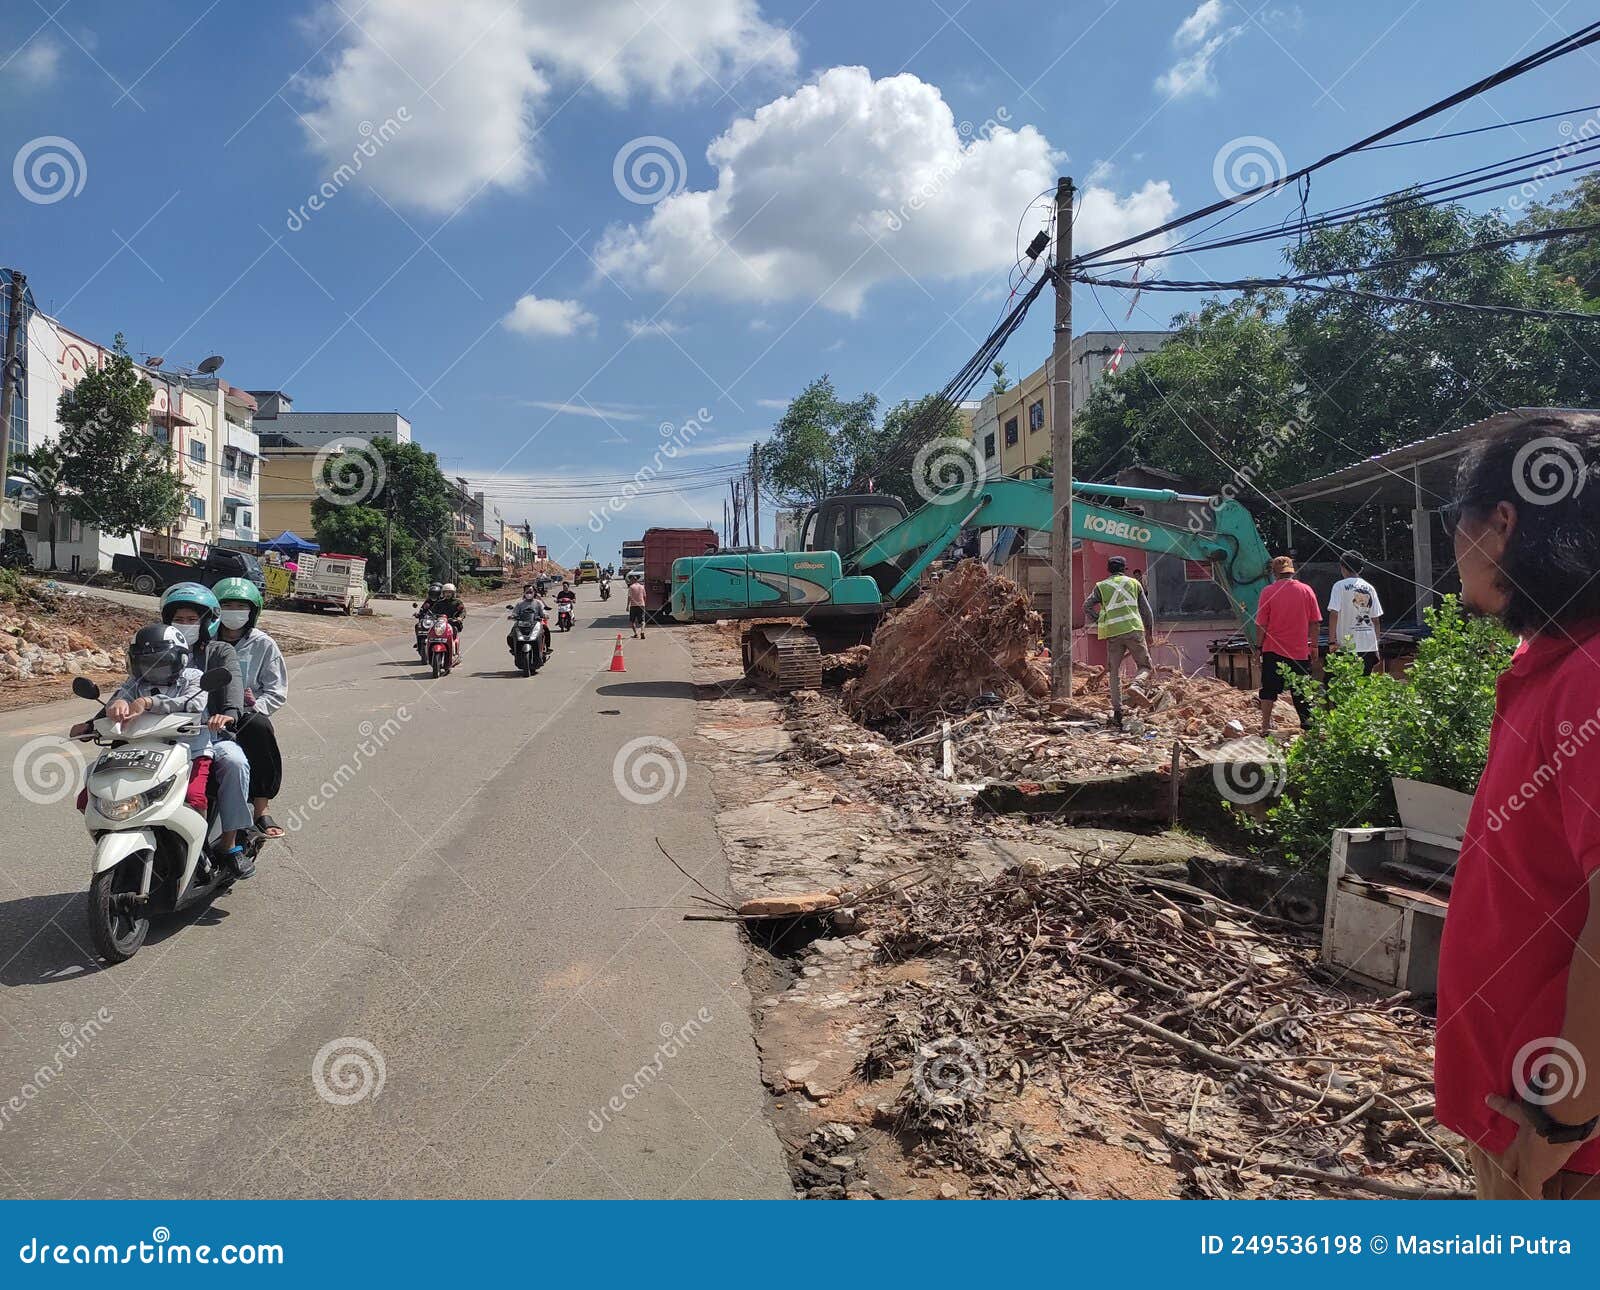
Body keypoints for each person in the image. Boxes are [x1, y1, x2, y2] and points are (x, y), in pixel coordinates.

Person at [1432, 412, 1600, 1200]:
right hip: (1533, 1120)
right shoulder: (1553, 663)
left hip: (1560, 1149)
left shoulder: (1589, 678)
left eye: (1453, 521)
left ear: (1502, 522)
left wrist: (1564, 1125)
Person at [213, 576, 289, 841]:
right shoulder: (203, 639)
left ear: (253, 611)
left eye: (240, 606)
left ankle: (260, 808)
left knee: (259, 727)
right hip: (204, 711)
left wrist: (254, 705)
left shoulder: (263, 644)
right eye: (227, 605)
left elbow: (277, 691)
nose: (233, 612)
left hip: (245, 714)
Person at [1082, 555, 1153, 728]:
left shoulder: (1101, 586)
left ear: (1108, 569)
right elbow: (1147, 611)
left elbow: (1086, 605)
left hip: (1113, 633)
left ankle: (1118, 712)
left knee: (1114, 672)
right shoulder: (1134, 584)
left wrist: (1099, 620)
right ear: (1125, 568)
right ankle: (1136, 685)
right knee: (1145, 666)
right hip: (1134, 630)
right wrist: (1149, 632)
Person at [1254, 555, 1321, 736]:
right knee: (1302, 692)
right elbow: (1315, 622)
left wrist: (1258, 647)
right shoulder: (1307, 590)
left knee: (1268, 689)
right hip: (1299, 651)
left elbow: (1261, 624)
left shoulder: (1268, 592)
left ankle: (1266, 726)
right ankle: (1309, 730)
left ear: (1274, 573)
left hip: (1273, 650)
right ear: (1292, 571)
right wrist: (1314, 646)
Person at [1327, 549, 1384, 674]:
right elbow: (1376, 620)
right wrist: (1376, 647)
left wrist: (1332, 641)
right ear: (1361, 569)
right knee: (1364, 685)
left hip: (1345, 646)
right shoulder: (1370, 588)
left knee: (1339, 685)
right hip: (1367, 645)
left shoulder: (1339, 586)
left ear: (1342, 567)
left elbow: (1334, 613)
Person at [507, 583, 548, 655]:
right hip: (521, 623)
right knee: (510, 636)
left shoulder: (538, 602)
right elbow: (515, 612)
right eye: (527, 592)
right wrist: (512, 616)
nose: (529, 593)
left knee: (546, 629)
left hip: (536, 623)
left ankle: (546, 647)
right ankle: (514, 649)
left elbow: (543, 611)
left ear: (534, 592)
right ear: (524, 593)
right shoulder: (520, 604)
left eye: (531, 592)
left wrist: (545, 615)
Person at [434, 582, 465, 663]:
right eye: (446, 592)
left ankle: (455, 652)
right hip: (440, 624)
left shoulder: (457, 602)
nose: (447, 594)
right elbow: (432, 611)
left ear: (453, 593)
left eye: (450, 592)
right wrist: (427, 616)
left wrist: (460, 618)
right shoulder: (439, 603)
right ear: (443, 593)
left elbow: (463, 611)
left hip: (452, 623)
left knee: (453, 631)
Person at [625, 571, 647, 639]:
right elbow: (645, 596)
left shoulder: (631, 587)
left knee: (632, 621)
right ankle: (642, 631)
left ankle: (636, 634)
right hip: (641, 605)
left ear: (633, 580)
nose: (630, 581)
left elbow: (629, 597)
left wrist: (627, 606)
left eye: (631, 580)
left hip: (633, 606)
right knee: (642, 621)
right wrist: (644, 603)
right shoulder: (642, 587)